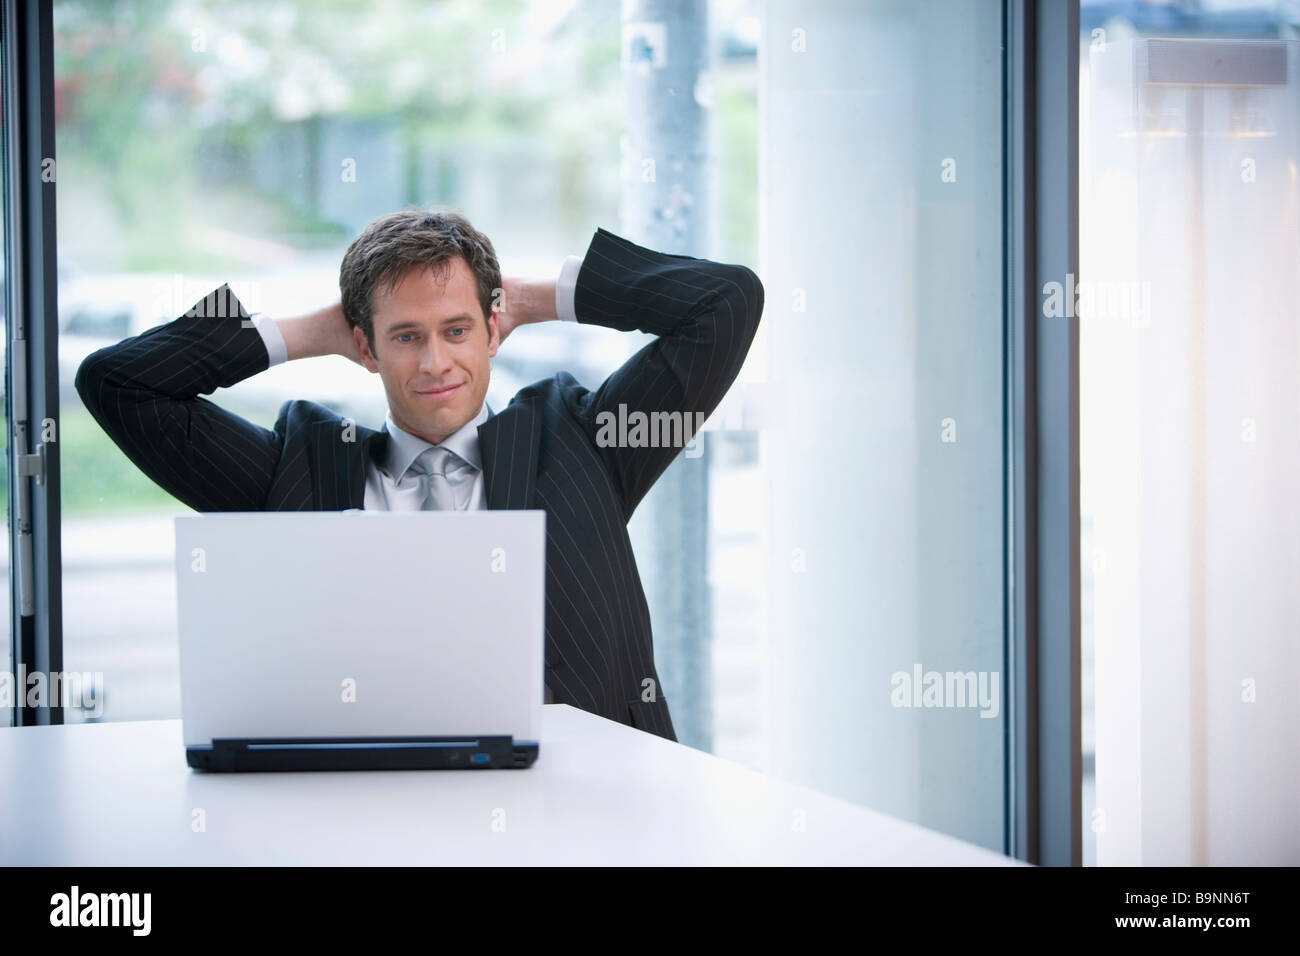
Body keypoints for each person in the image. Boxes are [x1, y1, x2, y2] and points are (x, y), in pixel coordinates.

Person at [75, 208, 765, 740]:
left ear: (493, 332)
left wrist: (531, 297)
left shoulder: (585, 441)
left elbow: (727, 301)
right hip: (373, 817)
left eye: (457, 330)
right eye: (406, 336)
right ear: (365, 347)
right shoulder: (297, 470)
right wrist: (311, 331)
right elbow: (117, 383)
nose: (435, 362)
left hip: (585, 819)